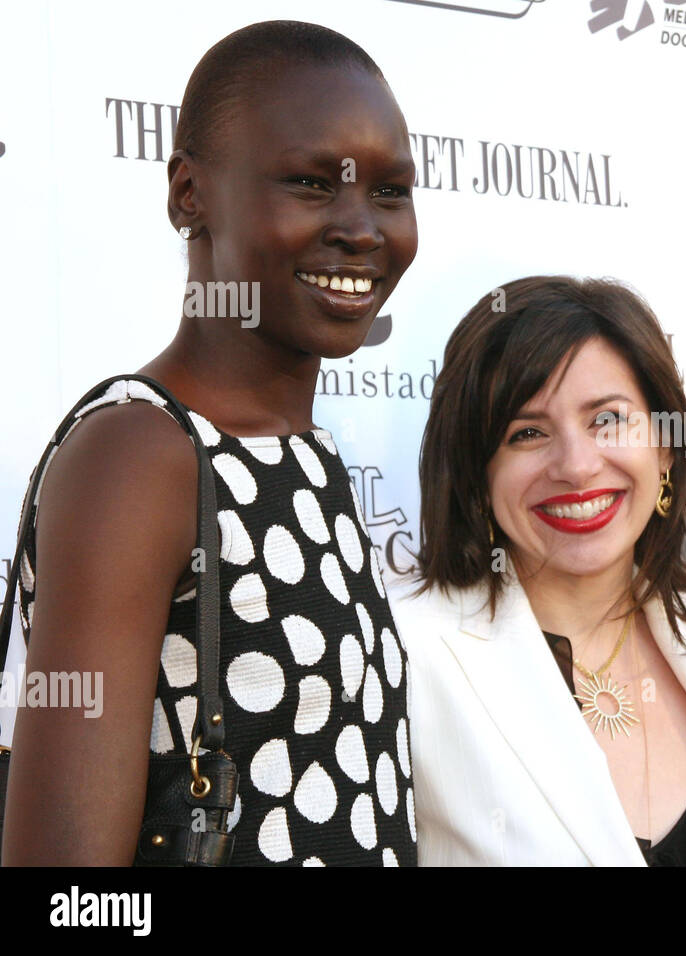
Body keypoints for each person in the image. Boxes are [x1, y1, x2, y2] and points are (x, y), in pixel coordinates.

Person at [2, 21, 420, 865]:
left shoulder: (314, 458)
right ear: (189, 194)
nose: (361, 229)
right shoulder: (138, 458)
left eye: (389, 192)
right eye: (309, 183)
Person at [392, 275, 686, 866]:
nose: (576, 466)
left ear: (664, 445)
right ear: (477, 475)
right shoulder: (408, 653)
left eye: (607, 419)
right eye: (527, 433)